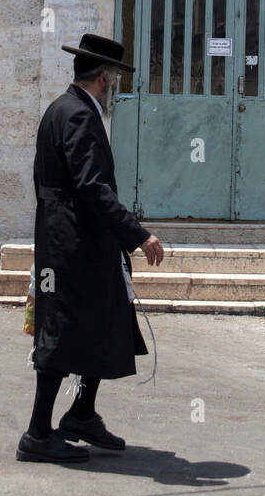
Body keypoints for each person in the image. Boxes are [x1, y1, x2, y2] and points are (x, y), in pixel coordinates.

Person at [16, 33, 164, 464]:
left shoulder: (61, 110)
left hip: (73, 241)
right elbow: (92, 186)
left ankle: (81, 413)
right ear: (104, 78)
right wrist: (137, 234)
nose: (115, 86)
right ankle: (38, 434)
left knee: (101, 324)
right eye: (114, 78)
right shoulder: (79, 115)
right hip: (73, 246)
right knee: (61, 332)